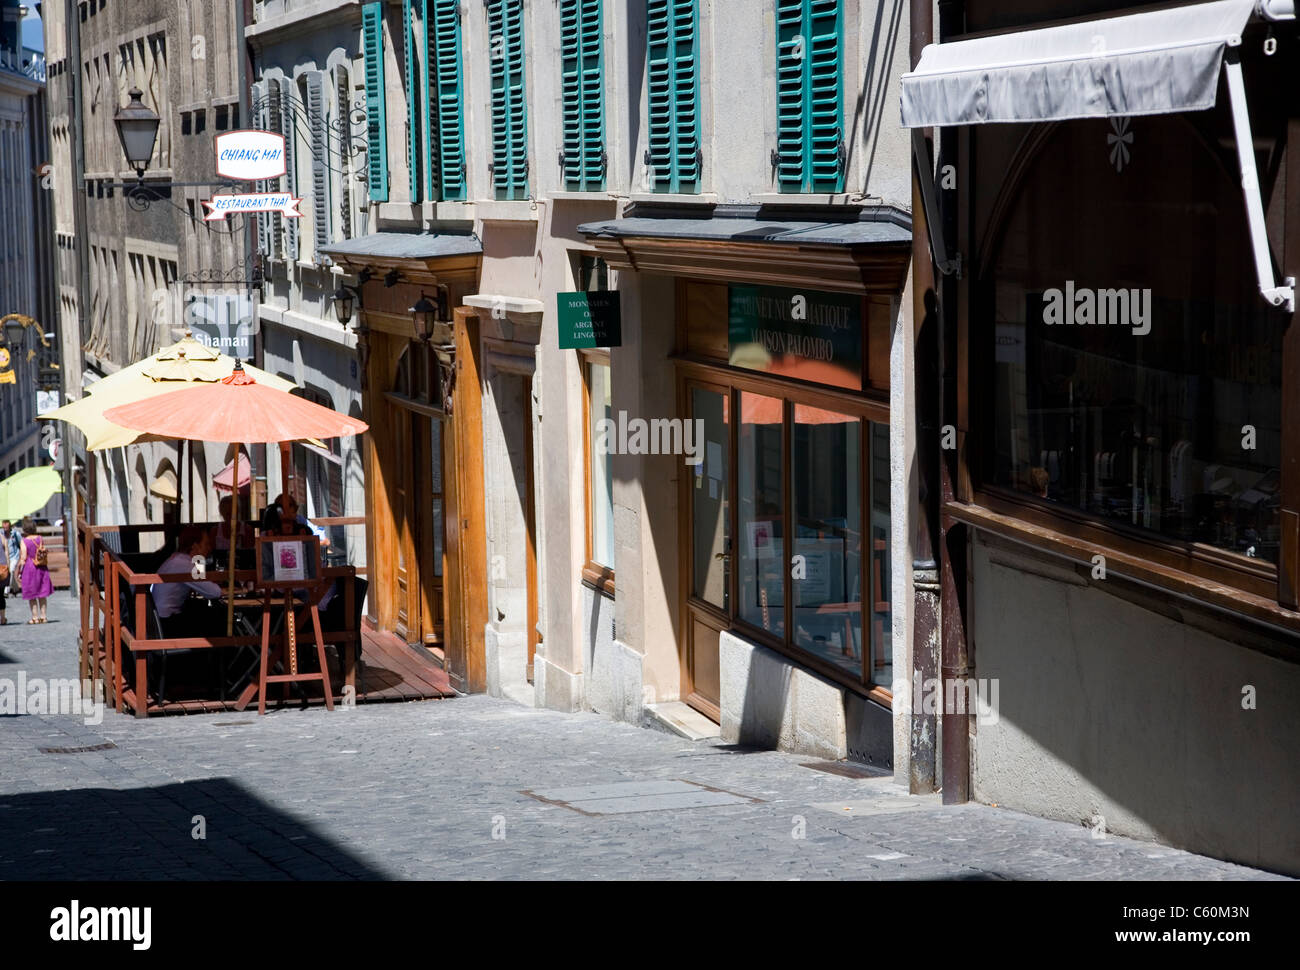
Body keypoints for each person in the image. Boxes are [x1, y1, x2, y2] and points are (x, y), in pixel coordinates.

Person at [151, 526, 224, 638]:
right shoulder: (185, 565)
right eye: (206, 544)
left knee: (203, 611)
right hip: (167, 624)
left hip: (160, 620)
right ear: (195, 546)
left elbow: (202, 583)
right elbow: (214, 592)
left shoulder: (177, 559)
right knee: (215, 619)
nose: (209, 548)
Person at [17, 528, 52, 624]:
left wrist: (19, 568)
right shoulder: (40, 538)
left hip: (30, 568)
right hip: (41, 567)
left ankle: (35, 617)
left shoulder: (24, 541)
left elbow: (23, 556)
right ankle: (44, 617)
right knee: (42, 593)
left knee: (32, 594)